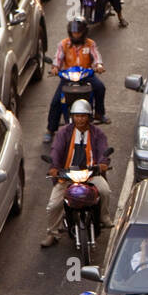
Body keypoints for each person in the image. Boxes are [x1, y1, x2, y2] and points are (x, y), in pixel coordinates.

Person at [40, 99, 112, 249]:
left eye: (83, 116)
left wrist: (103, 164)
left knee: (105, 191)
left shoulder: (98, 133)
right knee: (53, 205)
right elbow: (56, 151)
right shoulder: (63, 133)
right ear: (72, 117)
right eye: (77, 116)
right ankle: (52, 233)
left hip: (91, 173)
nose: (80, 119)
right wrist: (54, 167)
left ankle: (104, 217)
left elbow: (103, 150)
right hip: (67, 175)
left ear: (89, 117)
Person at [44, 17, 107, 142]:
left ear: (84, 32)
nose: (76, 35)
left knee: (100, 87)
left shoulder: (90, 44)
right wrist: (55, 68)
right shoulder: (63, 44)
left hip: (86, 75)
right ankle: (51, 129)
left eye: (78, 32)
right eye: (74, 33)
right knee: (56, 101)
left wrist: (99, 65)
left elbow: (96, 57)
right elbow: (57, 59)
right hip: (68, 77)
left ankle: (99, 113)